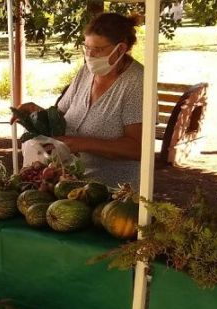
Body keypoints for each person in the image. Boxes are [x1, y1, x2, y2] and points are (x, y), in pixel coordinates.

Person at [13, 13, 143, 188]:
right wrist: (37, 113)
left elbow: (138, 148)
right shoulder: (86, 72)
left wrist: (82, 143)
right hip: (69, 180)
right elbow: (59, 117)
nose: (90, 55)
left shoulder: (137, 82)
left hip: (112, 189)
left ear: (120, 49)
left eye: (97, 49)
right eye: (86, 48)